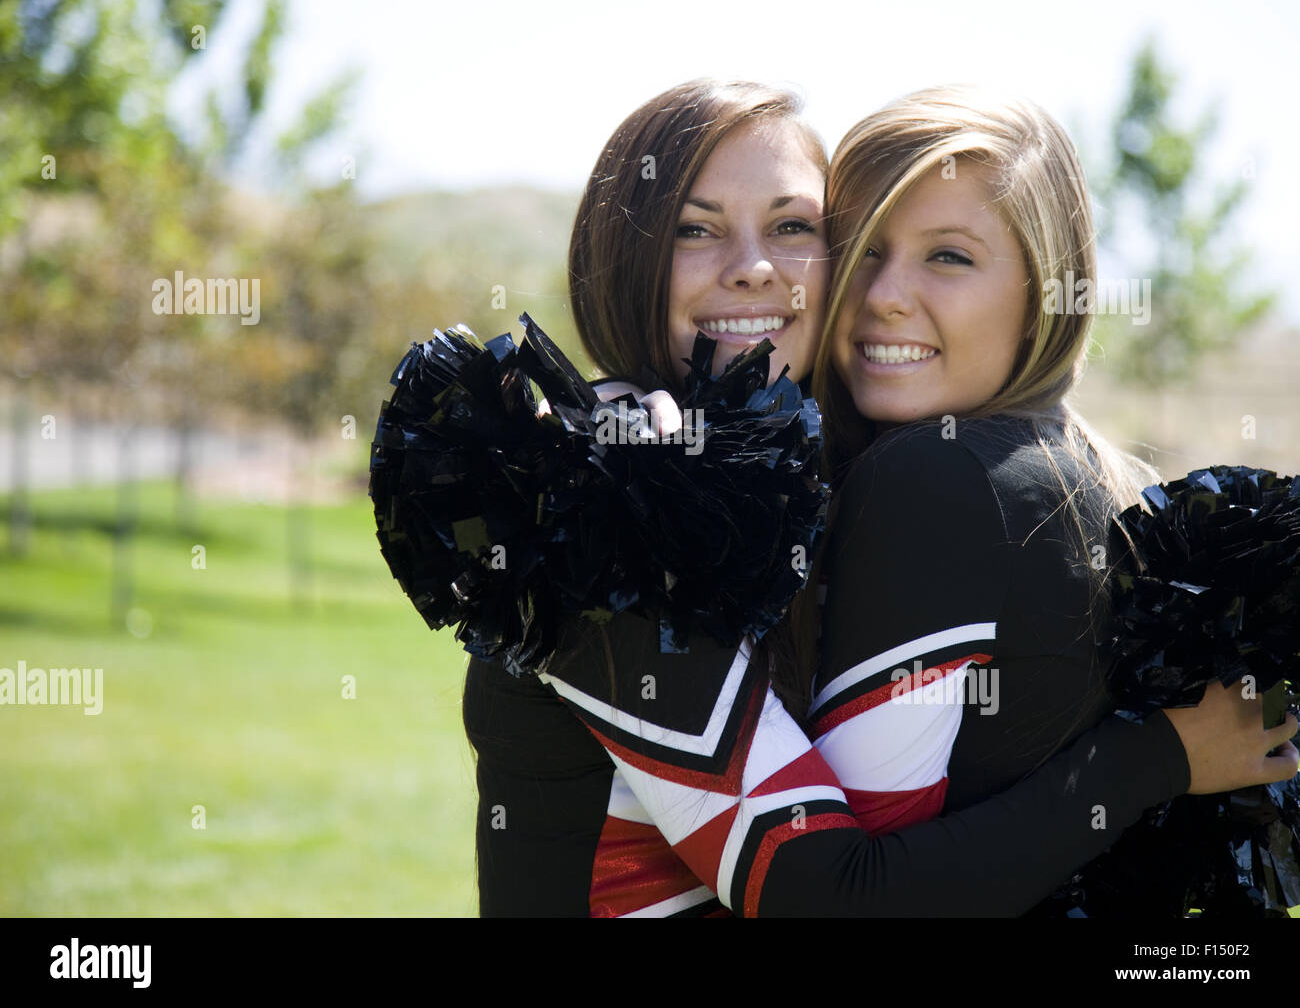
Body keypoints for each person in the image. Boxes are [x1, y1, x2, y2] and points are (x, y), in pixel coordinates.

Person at [453, 79, 1297, 917]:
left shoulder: (820, 477)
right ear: (622, 255)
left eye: (792, 227)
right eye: (695, 229)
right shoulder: (599, 492)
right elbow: (828, 892)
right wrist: (1158, 758)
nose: (752, 269)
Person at [803, 85, 1299, 858]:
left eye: (948, 256)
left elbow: (848, 889)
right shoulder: (1081, 474)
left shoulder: (932, 477)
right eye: (863, 247)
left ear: (1043, 296)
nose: (884, 296)